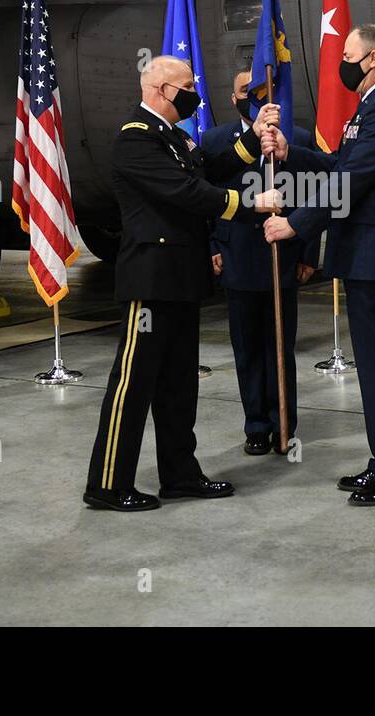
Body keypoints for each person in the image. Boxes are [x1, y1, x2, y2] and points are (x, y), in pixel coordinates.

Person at [83, 56, 281, 513]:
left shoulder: (170, 138)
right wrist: (253, 203)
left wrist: (253, 138)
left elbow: (207, 169)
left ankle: (180, 474)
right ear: (160, 90)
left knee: (178, 385)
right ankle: (108, 483)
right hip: (150, 282)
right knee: (132, 385)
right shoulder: (135, 140)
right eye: (187, 86)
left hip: (180, 278)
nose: (194, 93)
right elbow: (186, 192)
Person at [261, 24, 375, 506]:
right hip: (367, 255)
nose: (344, 64)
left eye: (350, 55)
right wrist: (293, 154)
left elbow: (352, 182)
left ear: (373, 58)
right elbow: (340, 165)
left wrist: (296, 225)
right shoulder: (373, 105)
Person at [202, 71, 319, 456]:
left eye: (263, 92)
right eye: (245, 93)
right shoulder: (217, 141)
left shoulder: (298, 140)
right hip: (237, 254)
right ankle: (256, 424)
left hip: (283, 256)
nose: (253, 99)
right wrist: (213, 245)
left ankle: (284, 423)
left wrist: (307, 253)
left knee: (281, 347)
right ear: (233, 97)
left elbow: (312, 199)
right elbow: (206, 199)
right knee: (247, 347)